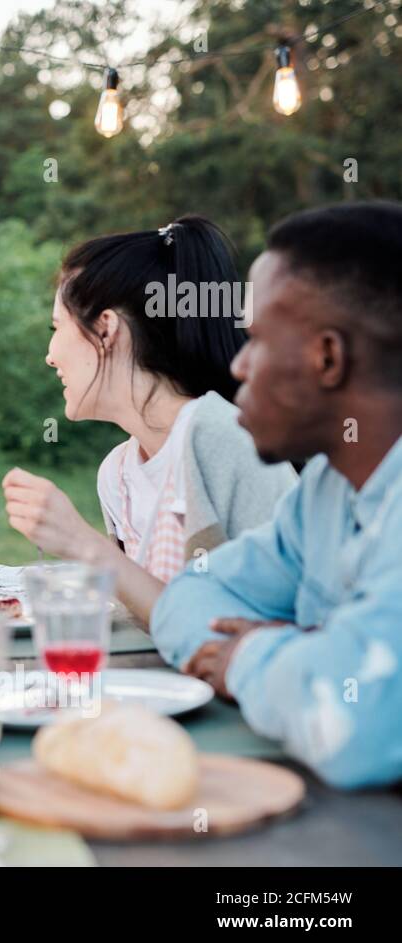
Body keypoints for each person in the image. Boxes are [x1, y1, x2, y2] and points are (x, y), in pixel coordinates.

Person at [153, 201, 402, 789]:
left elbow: (356, 728)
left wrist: (248, 660)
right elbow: (189, 594)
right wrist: (308, 660)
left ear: (327, 358)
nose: (237, 365)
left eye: (256, 339)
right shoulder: (324, 489)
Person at [0, 216, 296, 625]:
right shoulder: (117, 475)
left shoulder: (221, 436)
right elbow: (156, 618)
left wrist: (82, 543)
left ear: (106, 330)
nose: (50, 355)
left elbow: (258, 627)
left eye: (57, 327)